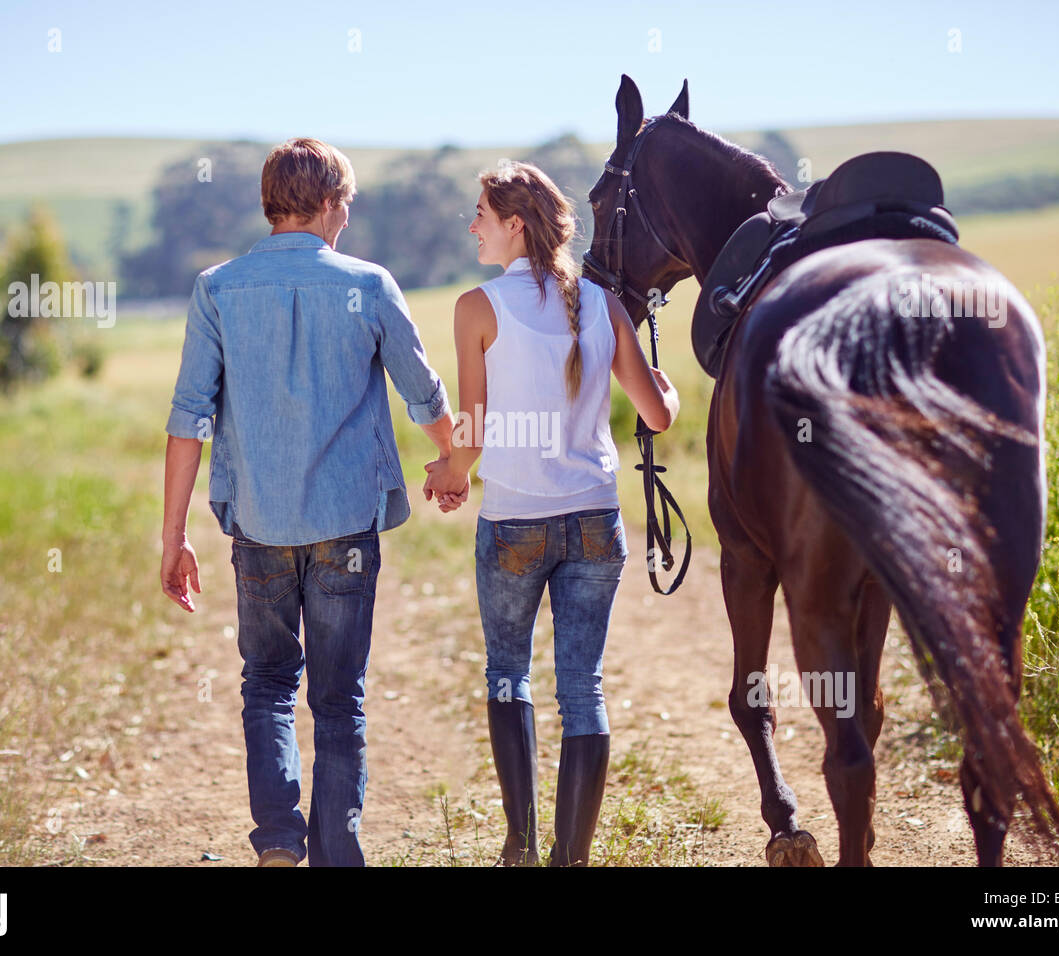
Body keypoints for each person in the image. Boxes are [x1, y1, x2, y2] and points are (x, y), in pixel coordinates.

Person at [160, 138, 455, 867]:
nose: (347, 219)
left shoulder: (218, 287)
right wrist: (452, 461)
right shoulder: (370, 284)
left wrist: (173, 536)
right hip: (346, 526)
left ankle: (279, 841)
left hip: (258, 527)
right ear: (326, 202)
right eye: (345, 205)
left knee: (265, 684)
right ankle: (338, 854)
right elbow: (424, 395)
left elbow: (188, 416)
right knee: (338, 698)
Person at [423, 160, 679, 866]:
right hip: (596, 520)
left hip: (513, 522)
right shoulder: (602, 304)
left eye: (480, 212)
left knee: (508, 673)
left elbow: (469, 434)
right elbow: (656, 415)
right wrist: (673, 396)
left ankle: (520, 846)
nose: (471, 224)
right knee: (582, 688)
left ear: (513, 224)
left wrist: (449, 474)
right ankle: (571, 859)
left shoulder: (477, 307)